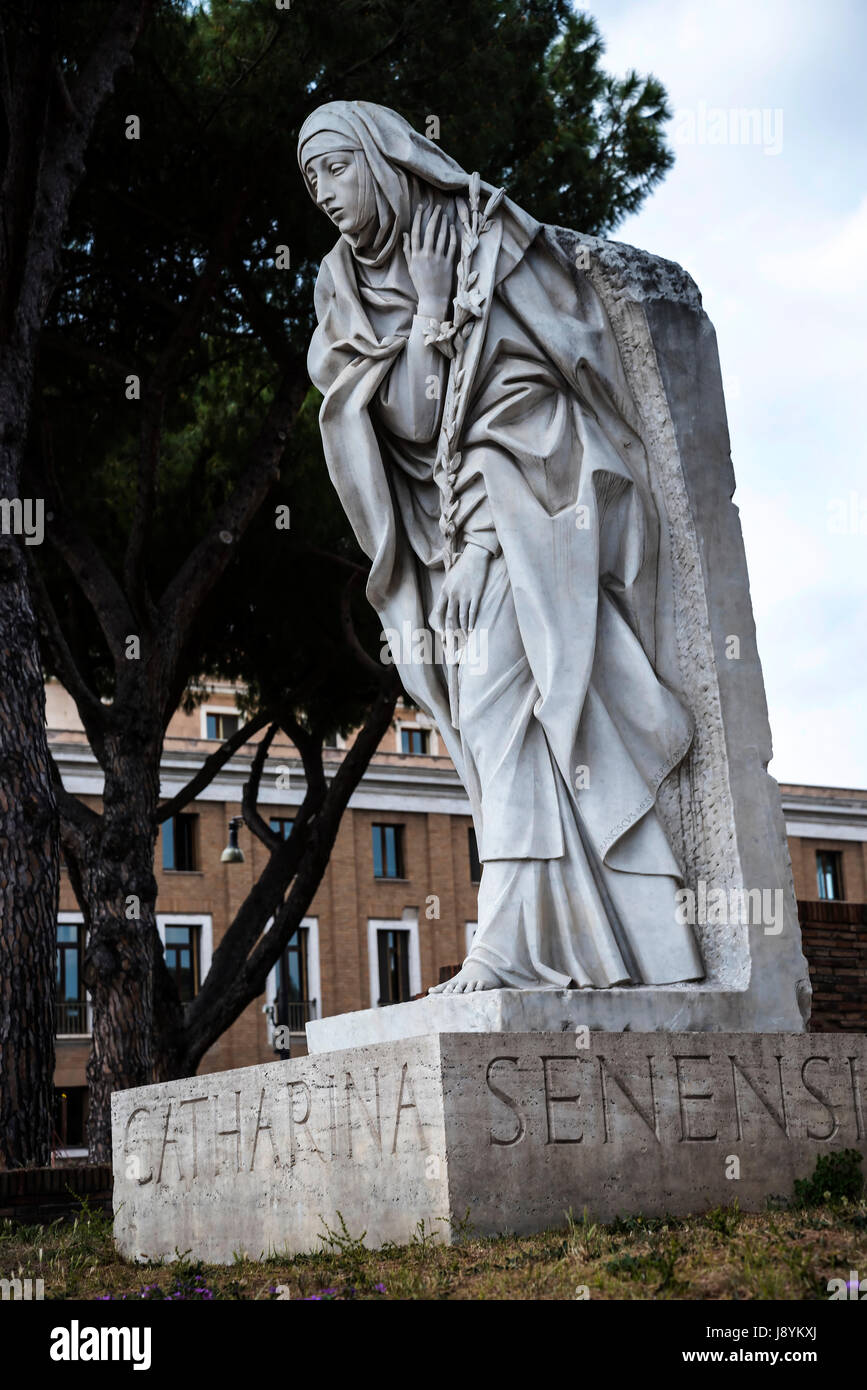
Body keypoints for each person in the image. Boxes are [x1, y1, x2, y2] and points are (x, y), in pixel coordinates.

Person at [299, 100, 704, 994]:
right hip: (446, 541)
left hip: (532, 511)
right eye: (311, 177)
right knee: (494, 738)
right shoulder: (341, 288)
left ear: (382, 155)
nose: (324, 192)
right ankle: (603, 944)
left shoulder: (486, 235)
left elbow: (547, 385)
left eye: (336, 166)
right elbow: (402, 421)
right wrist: (434, 314)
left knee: (498, 712)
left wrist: (485, 531)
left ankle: (511, 943)